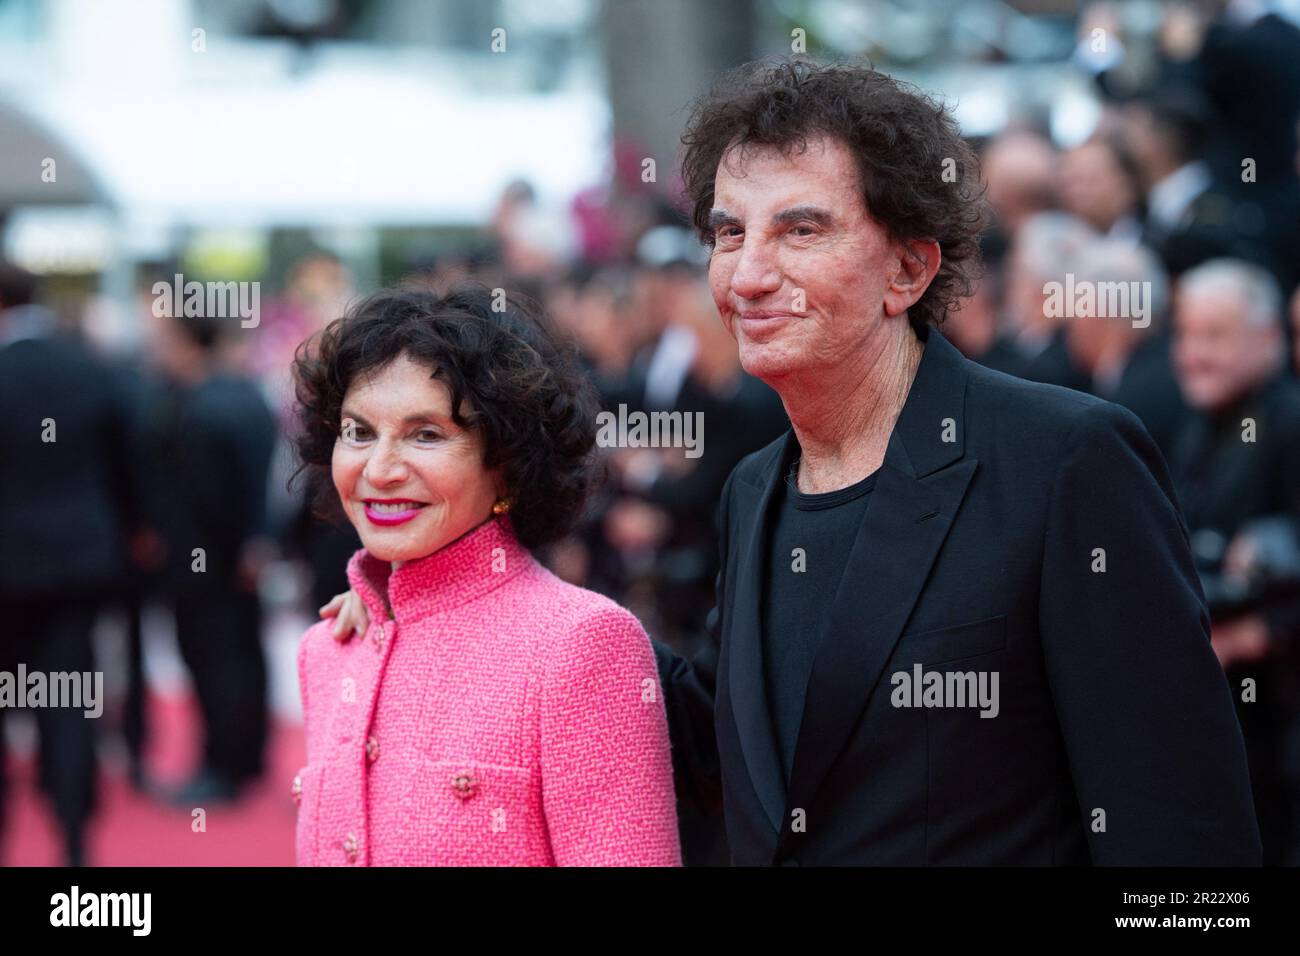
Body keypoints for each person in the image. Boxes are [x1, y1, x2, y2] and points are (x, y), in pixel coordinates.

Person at [329, 59, 1261, 866]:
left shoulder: (1065, 462)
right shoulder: (755, 491)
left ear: (909, 269)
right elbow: (742, 756)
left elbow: (1182, 835)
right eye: (731, 233)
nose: (749, 273)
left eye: (800, 230)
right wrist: (480, 604)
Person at [293, 284, 680, 866]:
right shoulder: (328, 650)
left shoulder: (583, 644)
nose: (379, 469)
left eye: (427, 434)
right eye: (359, 432)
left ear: (508, 465)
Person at [1166, 259, 1300, 864]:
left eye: (1214, 335)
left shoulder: (1290, 423)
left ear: (1269, 337)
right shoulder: (1198, 426)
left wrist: (1255, 635)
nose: (1193, 354)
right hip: (1227, 723)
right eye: (1186, 334)